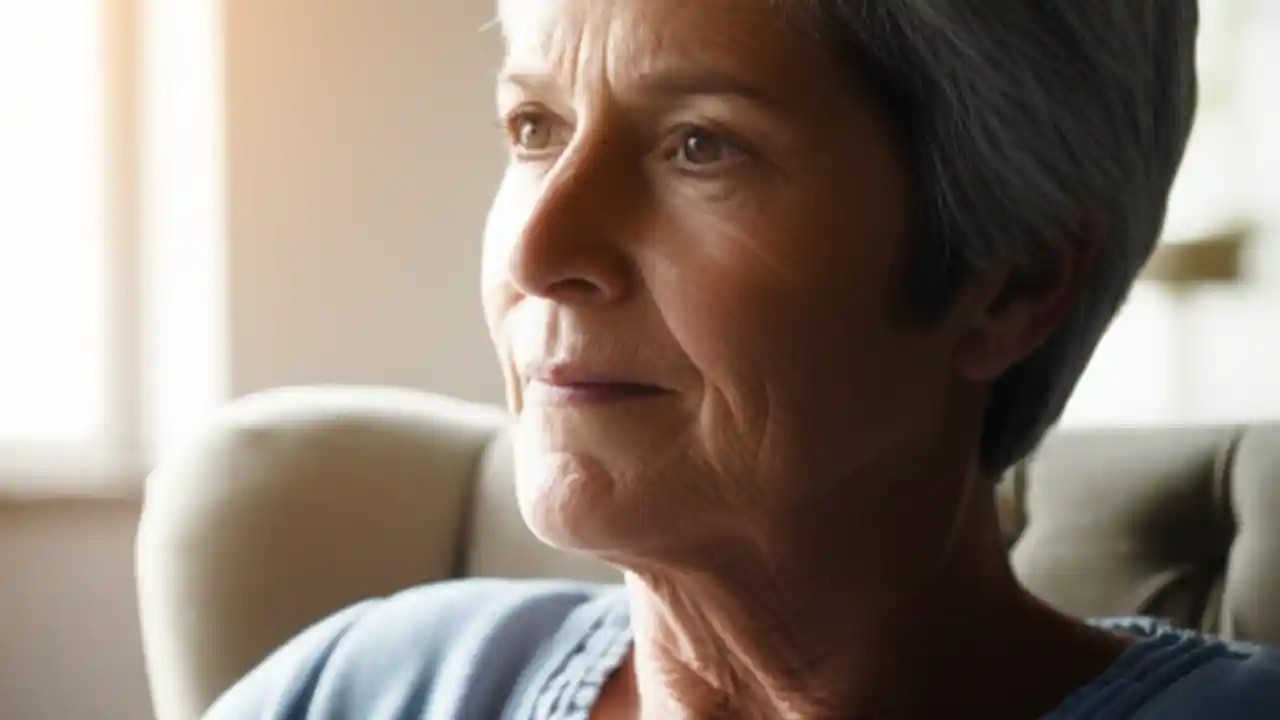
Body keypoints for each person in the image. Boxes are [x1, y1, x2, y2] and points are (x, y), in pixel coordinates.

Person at [206, 0, 1280, 718]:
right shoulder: (363, 688)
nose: (538, 250)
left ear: (1013, 282)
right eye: (534, 125)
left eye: (698, 145)